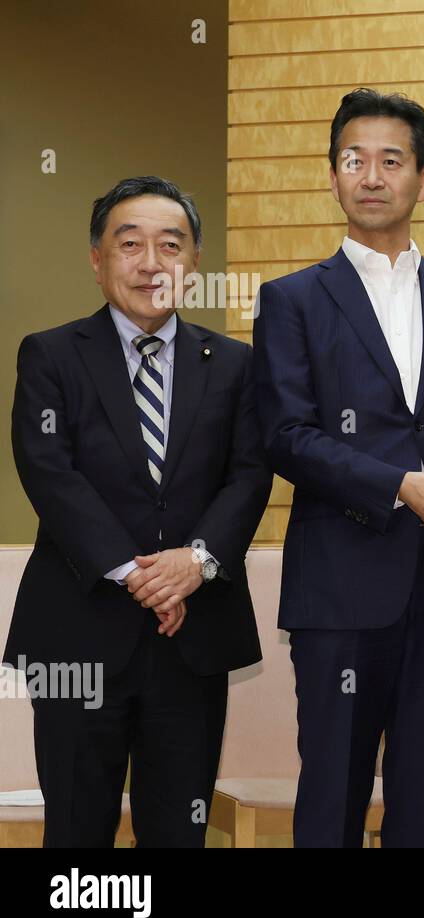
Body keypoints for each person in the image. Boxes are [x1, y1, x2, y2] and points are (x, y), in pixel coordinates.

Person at [253, 88, 424, 847]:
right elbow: (286, 435)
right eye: (353, 159)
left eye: (390, 160)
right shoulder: (291, 300)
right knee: (332, 798)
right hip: (340, 587)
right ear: (332, 176)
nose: (370, 175)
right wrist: (392, 485)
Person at [6, 176, 271, 846]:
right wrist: (136, 573)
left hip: (193, 639)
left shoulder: (236, 365)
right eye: (130, 245)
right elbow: (49, 473)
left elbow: (248, 475)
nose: (151, 262)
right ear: (98, 260)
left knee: (178, 830)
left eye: (170, 245)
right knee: (76, 830)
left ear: (195, 262)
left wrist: (198, 561)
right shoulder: (52, 355)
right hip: (77, 636)